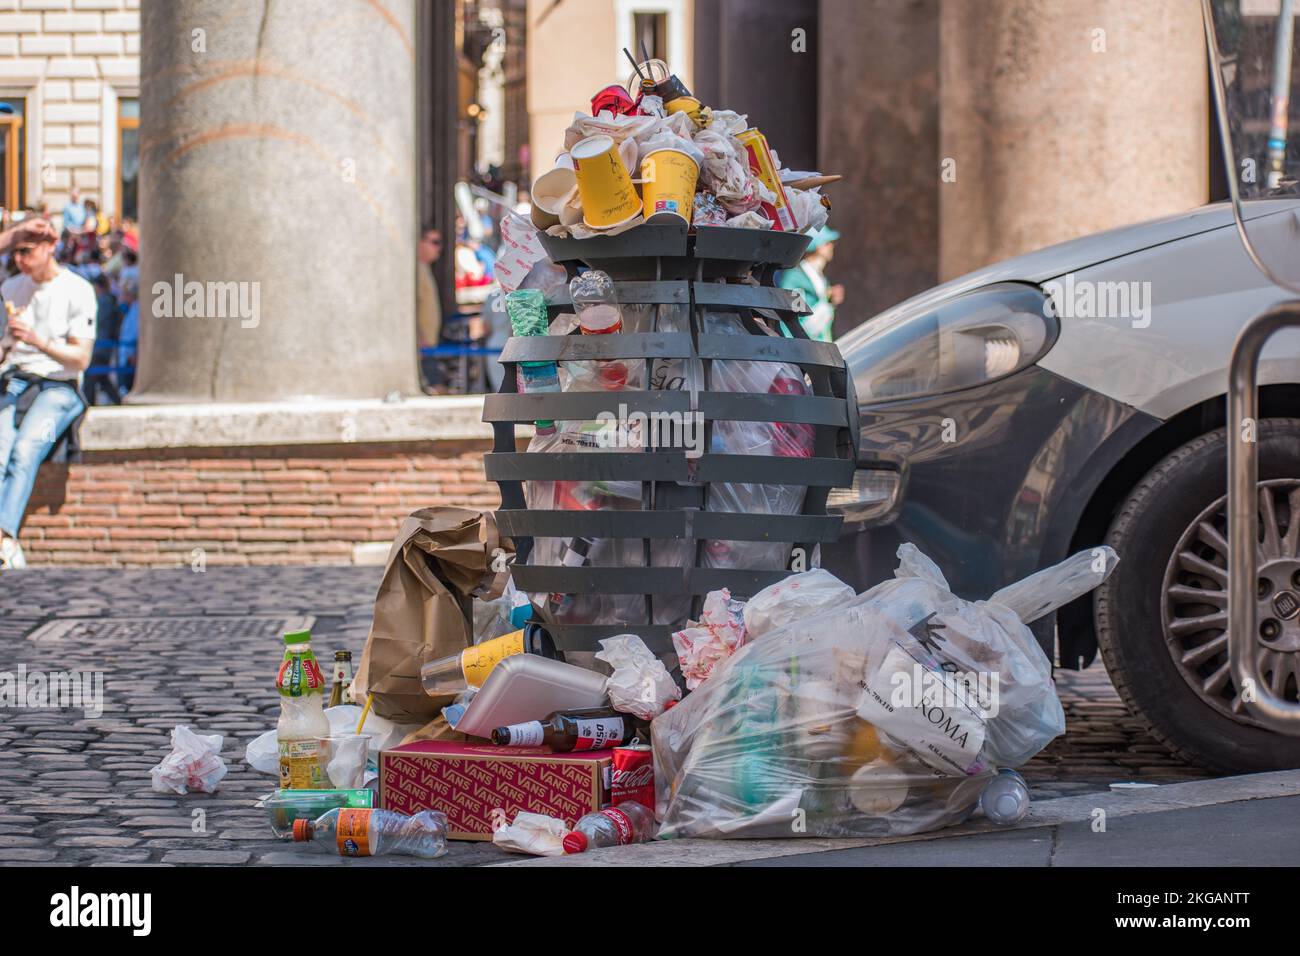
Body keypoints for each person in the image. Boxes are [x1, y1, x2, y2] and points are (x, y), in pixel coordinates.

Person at [0, 218, 97, 569]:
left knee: (25, 450)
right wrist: (9, 342)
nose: (20, 260)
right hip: (15, 380)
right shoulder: (10, 288)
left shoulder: (78, 289)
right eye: (15, 252)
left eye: (27, 251)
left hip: (59, 385)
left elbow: (81, 358)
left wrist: (37, 340)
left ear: (50, 247)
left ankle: (5, 539)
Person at [778, 226, 844, 343]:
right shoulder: (794, 279)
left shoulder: (820, 278)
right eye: (828, 242)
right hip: (801, 351)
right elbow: (797, 327)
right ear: (817, 245)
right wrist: (827, 303)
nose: (832, 246)